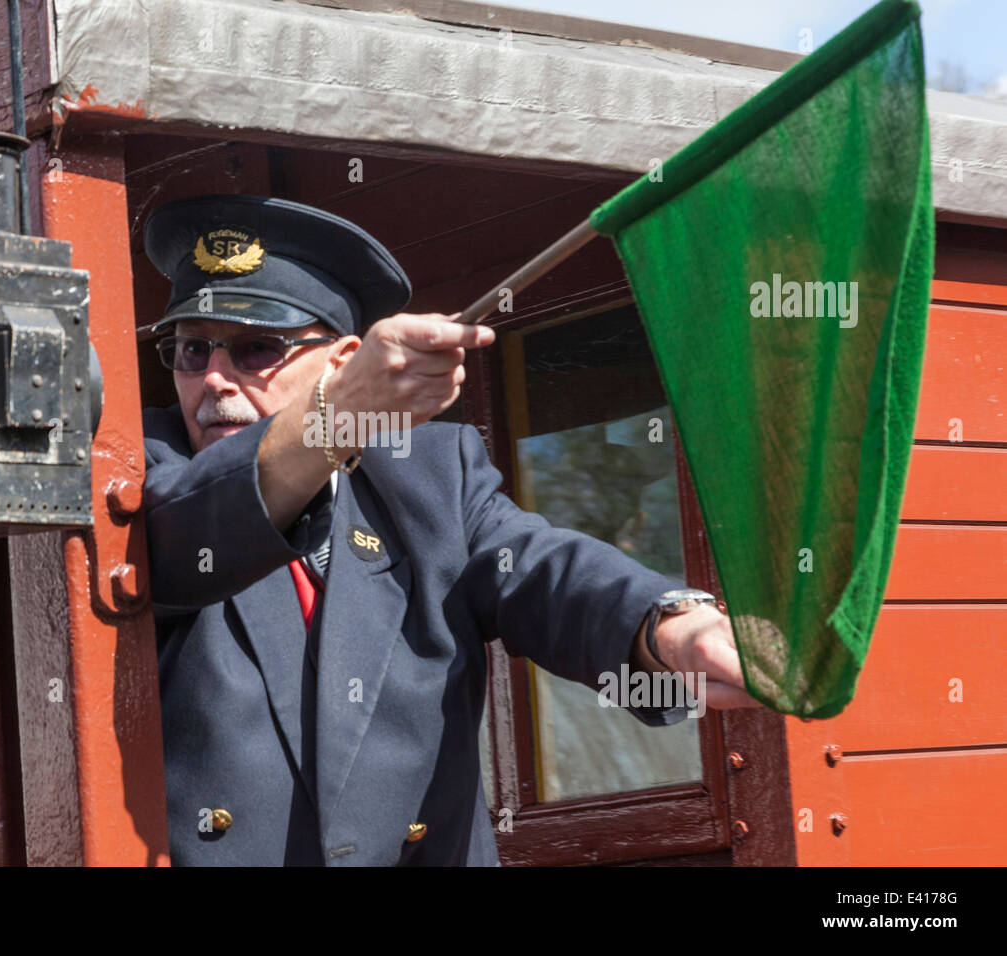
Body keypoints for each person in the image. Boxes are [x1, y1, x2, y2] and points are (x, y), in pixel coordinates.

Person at [140, 194, 759, 866]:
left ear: (345, 361)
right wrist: (335, 418)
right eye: (191, 350)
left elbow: (542, 570)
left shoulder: (429, 473)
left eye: (257, 348)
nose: (215, 381)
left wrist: (671, 628)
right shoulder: (138, 465)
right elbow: (183, 535)